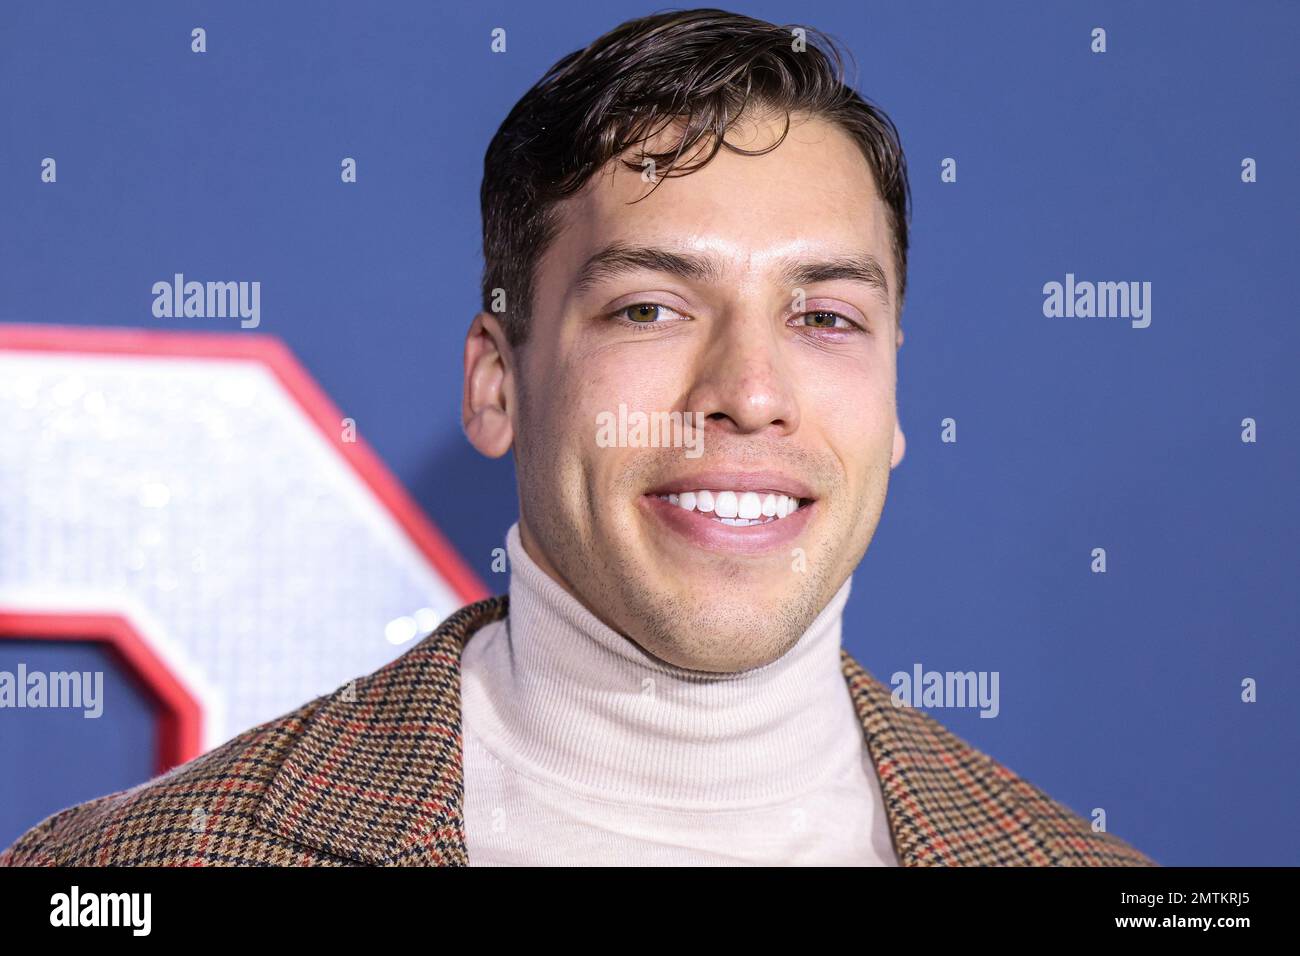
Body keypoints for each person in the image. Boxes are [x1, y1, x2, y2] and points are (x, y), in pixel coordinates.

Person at [1, 8, 1153, 867]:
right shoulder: (117, 875)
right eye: (649, 306)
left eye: (823, 317)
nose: (749, 391)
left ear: (896, 398)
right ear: (498, 381)